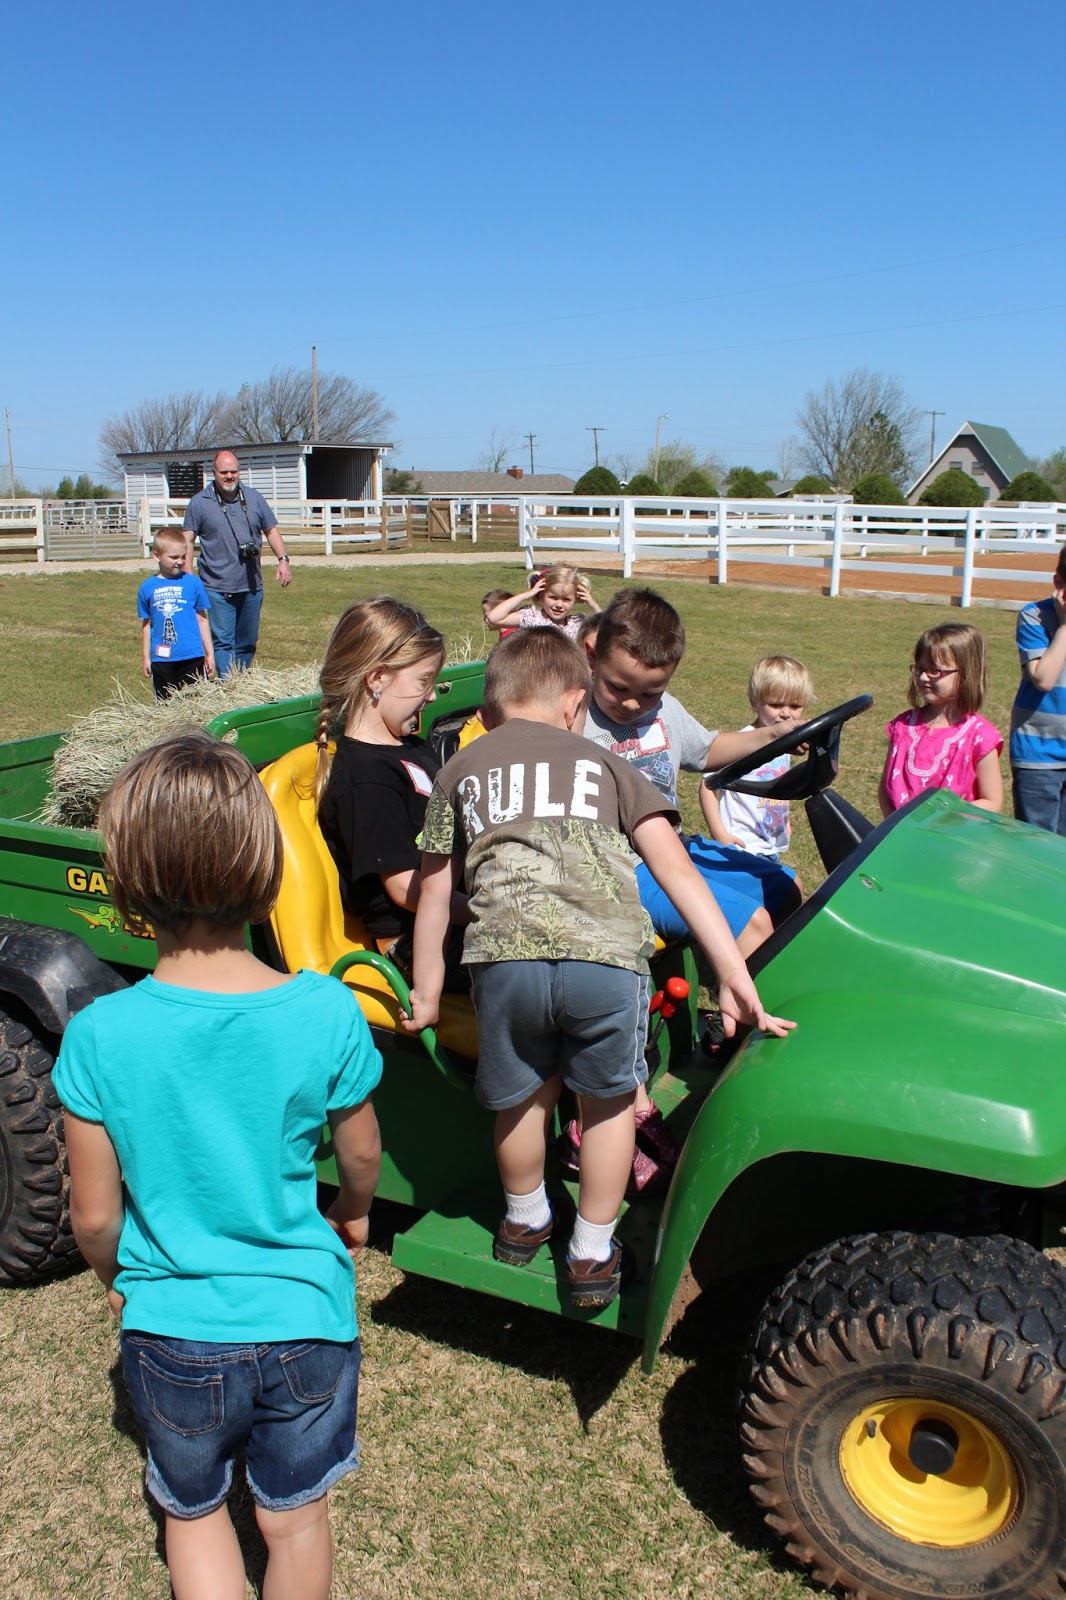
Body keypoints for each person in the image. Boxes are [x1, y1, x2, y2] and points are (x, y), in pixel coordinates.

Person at [51, 733, 382, 1600]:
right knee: (294, 1518)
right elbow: (362, 1152)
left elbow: (92, 1217)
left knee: (193, 1514)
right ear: (265, 863)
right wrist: (352, 1210)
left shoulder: (98, 1036)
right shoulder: (326, 1008)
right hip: (307, 1317)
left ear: (125, 876)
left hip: (172, 1327)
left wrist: (115, 1277)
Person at [404, 628, 795, 1310]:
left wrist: (429, 993)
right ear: (574, 706)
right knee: (609, 1103)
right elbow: (675, 870)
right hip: (607, 962)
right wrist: (734, 971)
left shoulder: (459, 771)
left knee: (522, 1098)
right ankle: (591, 1249)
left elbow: (435, 892)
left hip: (506, 960)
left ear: (489, 712)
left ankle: (525, 1219)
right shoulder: (613, 768)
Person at [582, 587, 803, 958]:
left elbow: (706, 751)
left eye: (650, 692)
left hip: (674, 850)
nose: (633, 703)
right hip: (619, 869)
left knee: (787, 886)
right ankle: (747, 1011)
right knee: (753, 924)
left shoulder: (665, 709)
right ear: (592, 657)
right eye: (618, 687)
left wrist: (772, 734)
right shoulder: (575, 718)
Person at [315, 596, 468, 985]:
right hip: (416, 945)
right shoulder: (365, 778)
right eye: (423, 681)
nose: (432, 695)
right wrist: (490, 908)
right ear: (377, 678)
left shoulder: (410, 747)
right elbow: (405, 889)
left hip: (448, 921)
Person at [701, 655, 814, 886]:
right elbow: (707, 785)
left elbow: (778, 781)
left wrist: (785, 817)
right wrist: (720, 833)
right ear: (755, 701)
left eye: (795, 706)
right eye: (775, 704)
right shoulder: (744, 742)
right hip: (743, 844)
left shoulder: (787, 742)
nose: (786, 713)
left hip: (770, 839)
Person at [182, 449, 293, 676]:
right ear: (214, 473)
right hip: (216, 586)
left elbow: (271, 531)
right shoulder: (199, 503)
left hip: (251, 585)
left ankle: (239, 682)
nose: (229, 476)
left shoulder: (254, 498)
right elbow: (187, 541)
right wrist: (188, 578)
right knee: (223, 641)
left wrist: (283, 560)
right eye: (224, 472)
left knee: (247, 641)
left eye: (234, 471)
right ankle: (228, 687)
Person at [878, 622, 1003, 817]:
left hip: (952, 842)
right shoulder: (902, 726)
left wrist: (947, 815)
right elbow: (885, 792)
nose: (924, 677)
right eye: (920, 668)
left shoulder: (980, 736)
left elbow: (993, 801)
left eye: (935, 670)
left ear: (966, 674)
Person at [1009, 545, 1066, 834]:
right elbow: (1042, 678)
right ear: (1059, 583)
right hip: (1038, 753)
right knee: (1037, 848)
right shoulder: (1035, 616)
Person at [138, 525, 215, 698]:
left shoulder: (193, 584)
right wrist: (146, 658)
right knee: (166, 705)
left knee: (196, 702)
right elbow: (147, 624)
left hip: (192, 655)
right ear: (156, 556)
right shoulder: (147, 587)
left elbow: (202, 619)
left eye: (183, 557)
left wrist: (209, 653)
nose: (179, 561)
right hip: (163, 659)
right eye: (173, 557)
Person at [486, 564, 600, 641]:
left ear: (576, 599)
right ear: (541, 595)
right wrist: (525, 595)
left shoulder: (578, 623)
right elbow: (494, 618)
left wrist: (592, 603)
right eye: (553, 598)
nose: (559, 605)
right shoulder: (532, 618)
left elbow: (608, 628)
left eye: (566, 599)